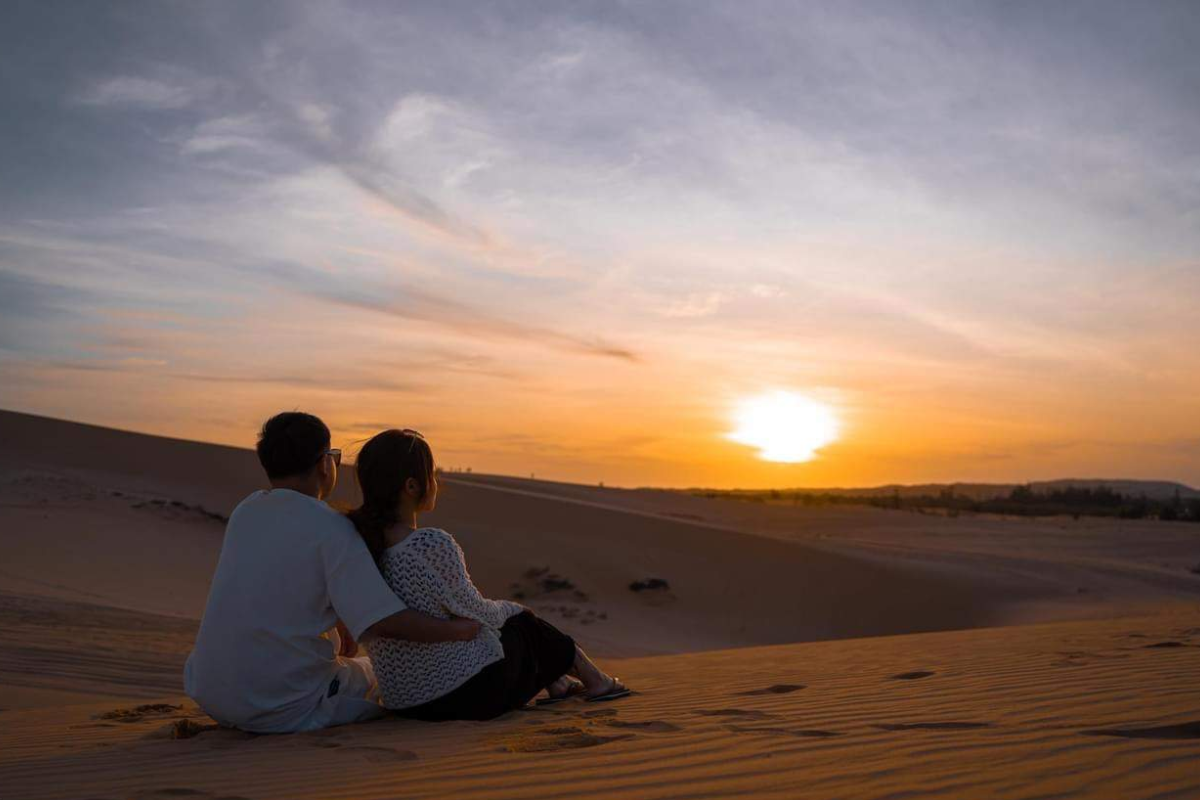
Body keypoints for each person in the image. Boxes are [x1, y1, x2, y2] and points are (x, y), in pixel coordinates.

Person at [184, 412, 481, 733]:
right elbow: (386, 621)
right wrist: (459, 630)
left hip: (210, 693)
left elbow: (286, 579)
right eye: (334, 457)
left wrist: (342, 621)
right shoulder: (331, 527)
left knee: (349, 668)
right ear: (325, 464)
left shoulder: (247, 510)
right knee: (377, 676)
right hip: (278, 704)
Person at [347, 428, 630, 721]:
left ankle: (559, 683)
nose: (436, 482)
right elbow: (475, 612)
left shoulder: (358, 546)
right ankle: (596, 680)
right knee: (521, 623)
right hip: (460, 696)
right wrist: (513, 608)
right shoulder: (428, 544)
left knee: (510, 625)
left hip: (404, 702)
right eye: (432, 474)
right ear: (411, 486)